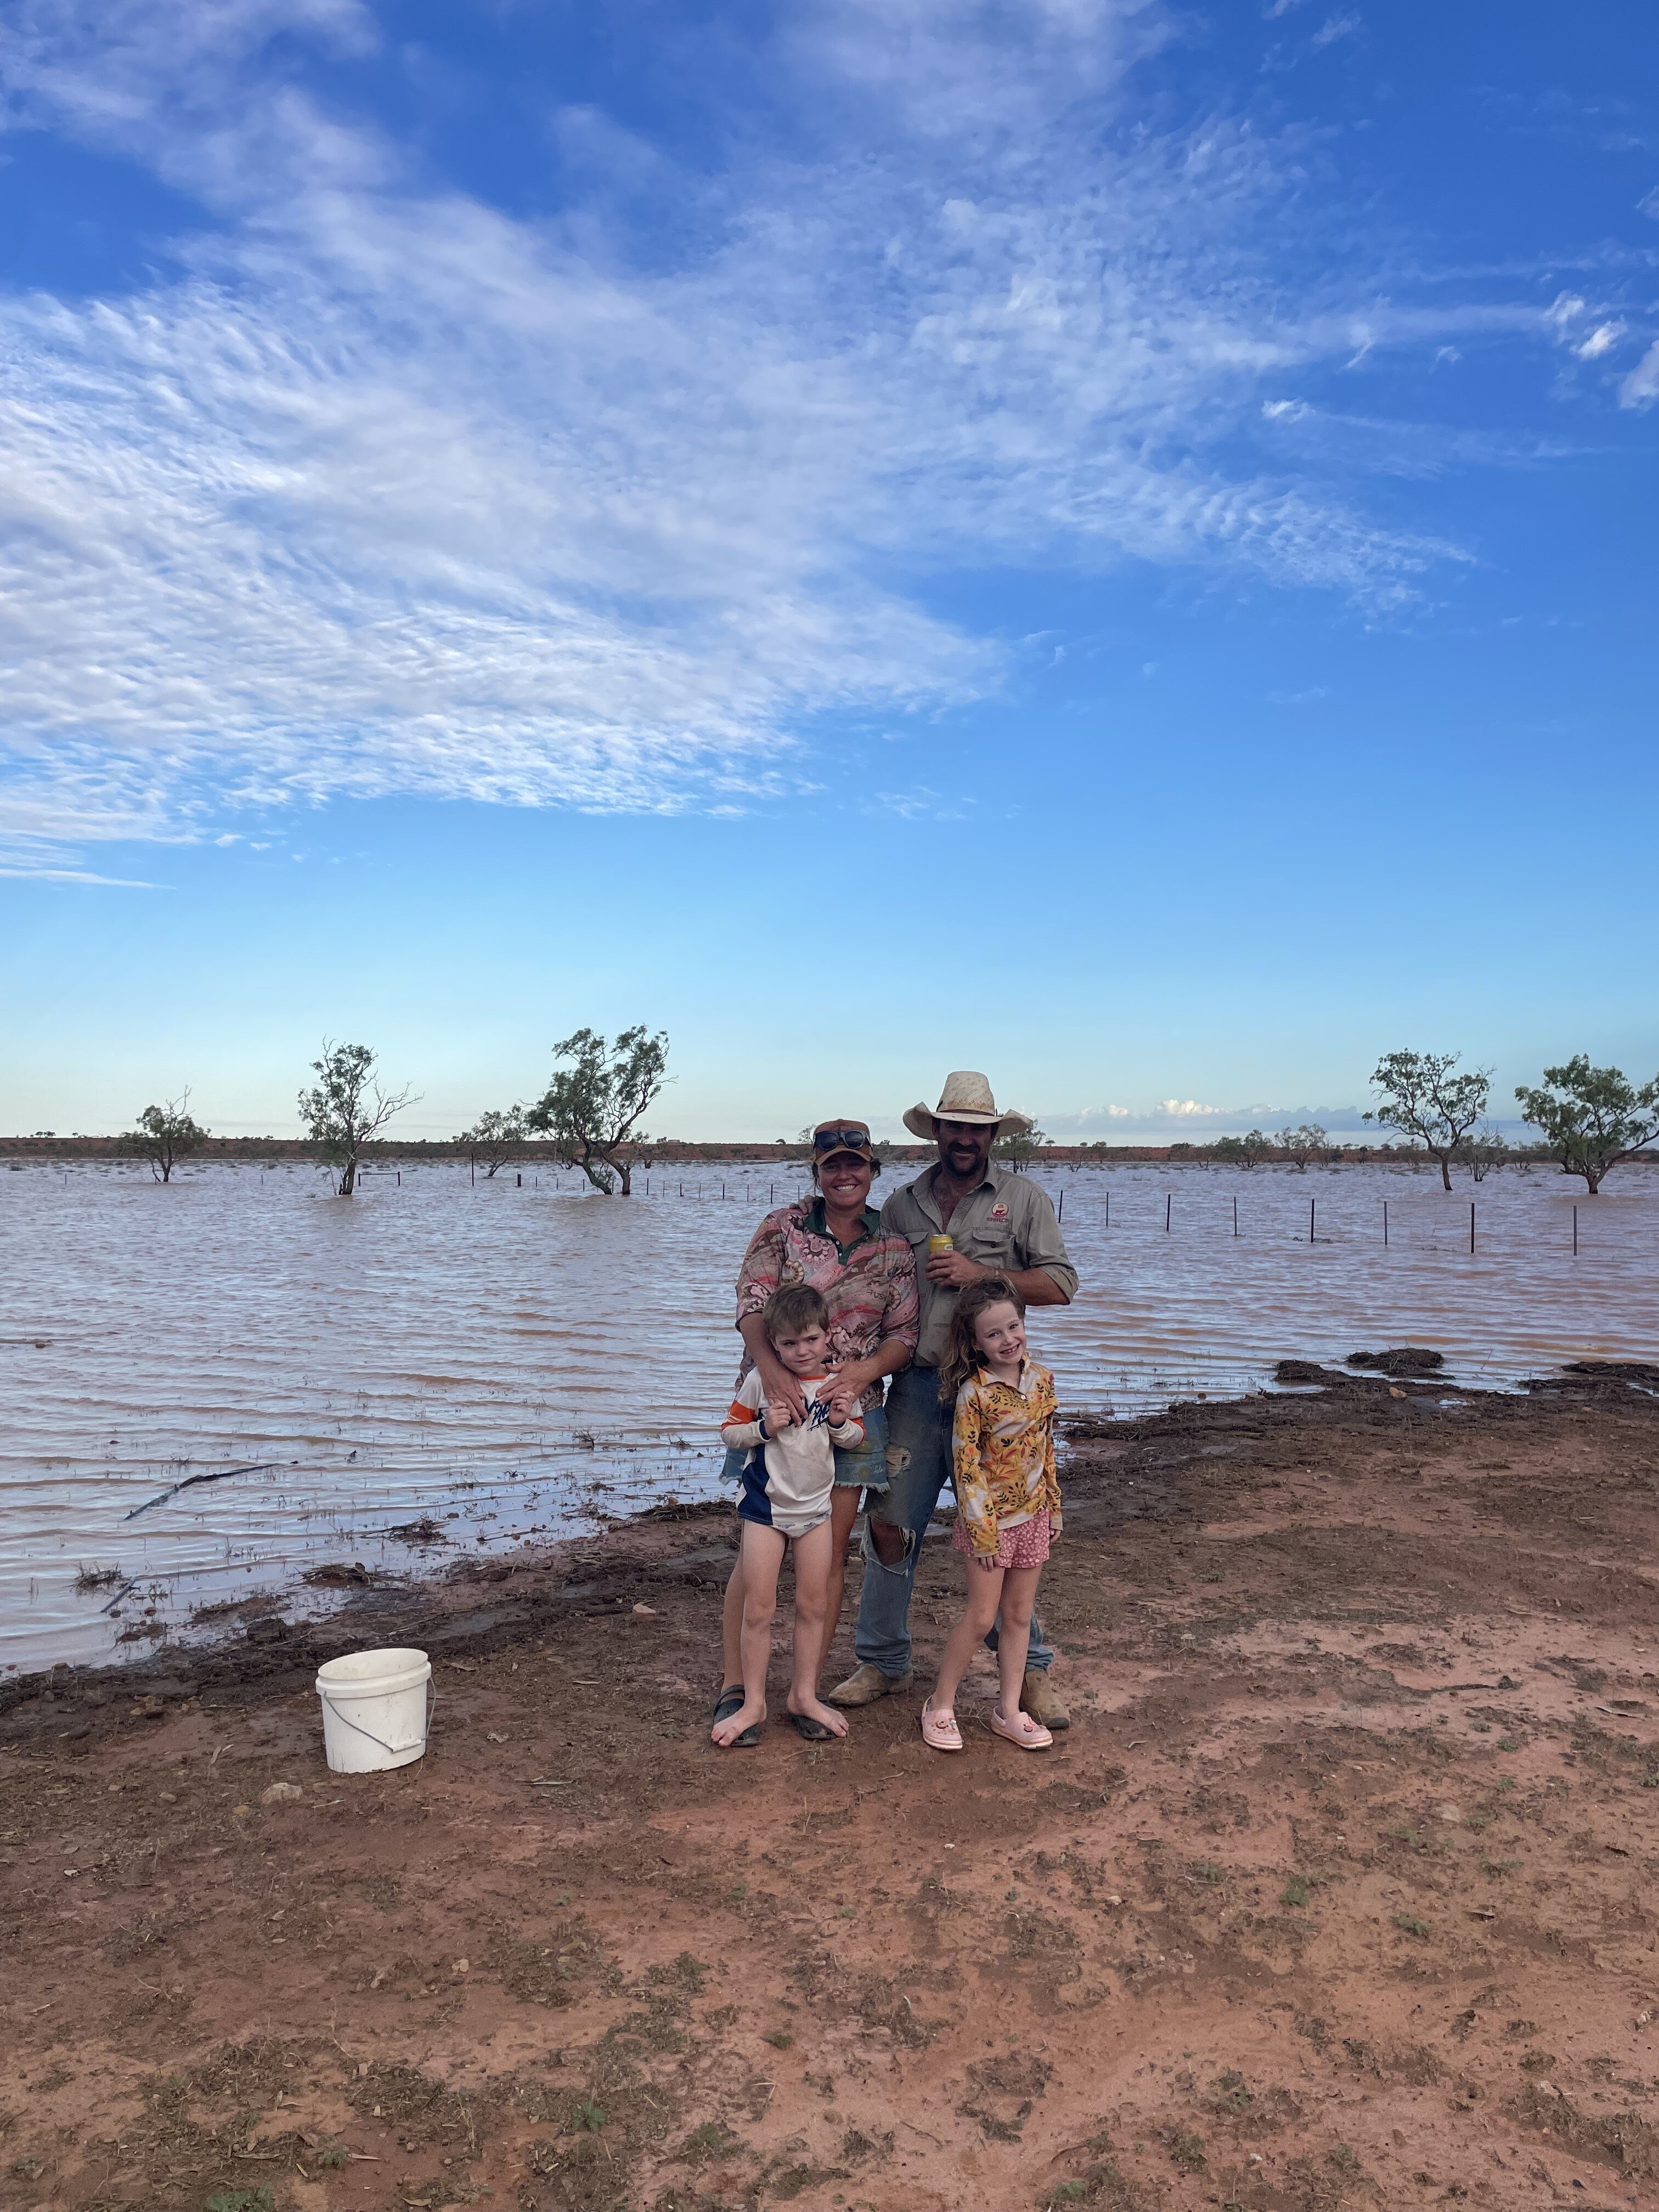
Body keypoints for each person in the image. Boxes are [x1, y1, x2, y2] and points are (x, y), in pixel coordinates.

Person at [827, 1071, 1077, 1730]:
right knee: (889, 1525)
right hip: (917, 1387)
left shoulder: (1022, 1200)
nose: (965, 1138)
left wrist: (982, 1273)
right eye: (954, 1126)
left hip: (997, 1398)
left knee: (1008, 1533)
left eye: (977, 1128)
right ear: (935, 1131)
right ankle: (883, 1660)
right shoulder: (904, 1206)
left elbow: (1060, 1284)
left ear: (992, 1135)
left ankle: (1032, 1673)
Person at [712, 1121, 919, 1736]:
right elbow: (751, 1306)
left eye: (855, 1164)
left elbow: (903, 1337)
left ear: (873, 1171)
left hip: (851, 1415)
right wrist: (774, 1376)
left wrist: (857, 1378)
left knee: (825, 1558)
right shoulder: (783, 1227)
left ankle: (804, 1691)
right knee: (756, 1561)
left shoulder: (895, 1249)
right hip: (775, 1413)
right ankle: (736, 1686)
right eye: (832, 1165)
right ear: (817, 1173)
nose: (844, 1175)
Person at [712, 1285, 865, 1748]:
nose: (802, 1351)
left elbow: (854, 1437)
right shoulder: (762, 1383)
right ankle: (753, 1702)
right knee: (759, 1609)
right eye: (790, 1344)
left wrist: (840, 1423)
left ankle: (803, 1695)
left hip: (816, 1510)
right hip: (765, 1511)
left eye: (811, 1340)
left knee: (813, 1606)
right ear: (773, 1345)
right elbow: (729, 1432)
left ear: (828, 1337)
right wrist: (763, 1428)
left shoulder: (837, 1384)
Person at [921, 1278, 1060, 1752]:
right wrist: (983, 1533)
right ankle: (940, 1705)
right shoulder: (974, 1395)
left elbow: (1047, 1449)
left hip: (1034, 1516)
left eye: (1013, 1327)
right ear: (976, 1342)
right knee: (982, 1618)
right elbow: (965, 1468)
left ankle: (1010, 1710)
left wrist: (1054, 1508)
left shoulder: (1042, 1380)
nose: (1008, 1340)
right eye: (994, 1334)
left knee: (1019, 1616)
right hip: (991, 1527)